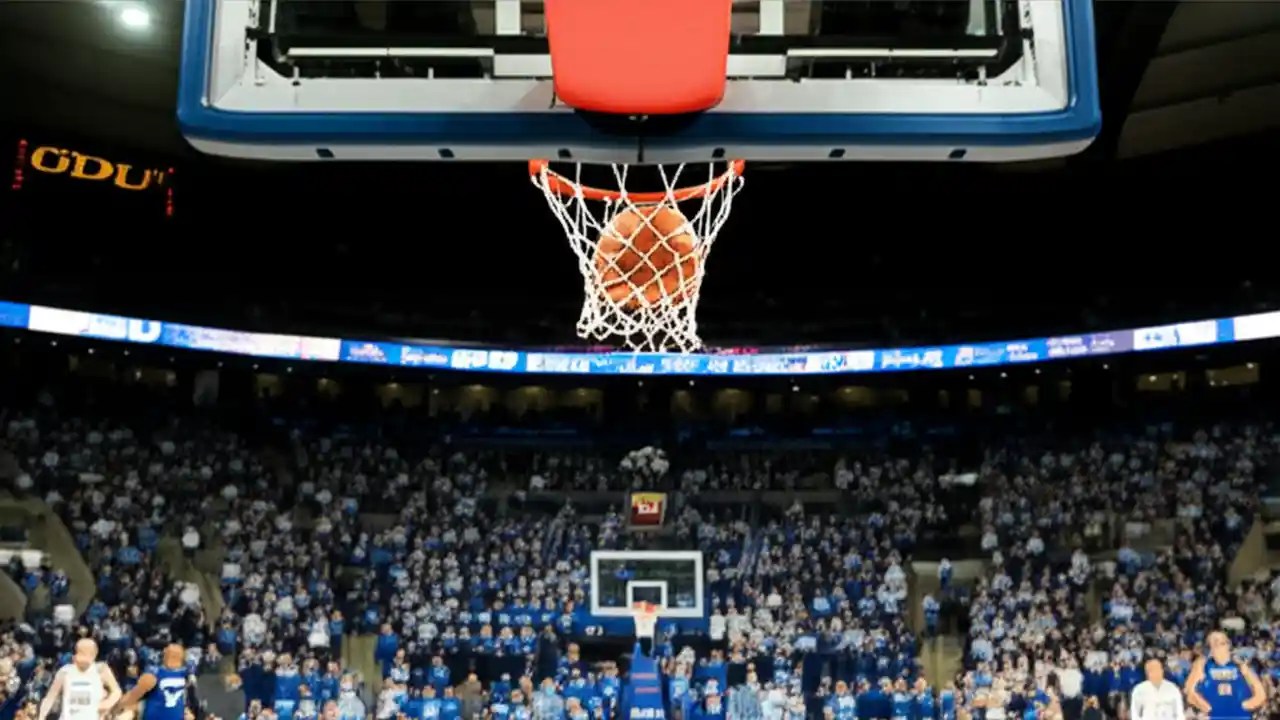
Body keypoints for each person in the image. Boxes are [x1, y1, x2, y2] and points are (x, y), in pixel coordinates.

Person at [1184, 632, 1265, 720]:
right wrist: (1206, 707)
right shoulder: (1202, 665)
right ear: (1210, 647)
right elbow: (1189, 691)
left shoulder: (1240, 664)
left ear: (1228, 644)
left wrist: (1246, 705)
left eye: (1222, 642)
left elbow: (1260, 694)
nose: (1219, 644)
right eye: (1215, 642)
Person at [36, 640, 123, 720]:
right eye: (80, 652)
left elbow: (117, 691)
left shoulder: (101, 670)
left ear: (94, 654)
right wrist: (41, 717)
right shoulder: (65, 671)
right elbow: (50, 698)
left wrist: (106, 704)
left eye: (86, 653)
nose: (82, 656)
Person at [116, 645, 189, 720]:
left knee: (129, 709)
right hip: (175, 714)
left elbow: (132, 697)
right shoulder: (185, 673)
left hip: (154, 715)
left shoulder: (154, 674)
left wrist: (116, 707)